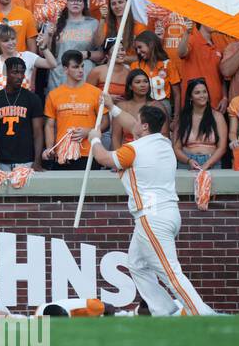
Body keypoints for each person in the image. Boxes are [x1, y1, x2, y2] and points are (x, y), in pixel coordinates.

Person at [86, 105, 215, 317]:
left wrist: (95, 138)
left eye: (138, 121)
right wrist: (111, 106)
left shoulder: (134, 150)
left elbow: (104, 159)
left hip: (151, 215)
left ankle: (203, 314)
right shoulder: (164, 142)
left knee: (171, 273)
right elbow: (133, 125)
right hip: (168, 213)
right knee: (136, 264)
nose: (133, 124)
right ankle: (162, 309)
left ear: (144, 126)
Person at [0, 56, 45, 172]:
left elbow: (38, 132)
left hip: (27, 161)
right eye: (15, 72)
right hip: (2, 161)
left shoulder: (33, 99)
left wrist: (37, 161)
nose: (20, 77)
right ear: (6, 72)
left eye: (22, 73)